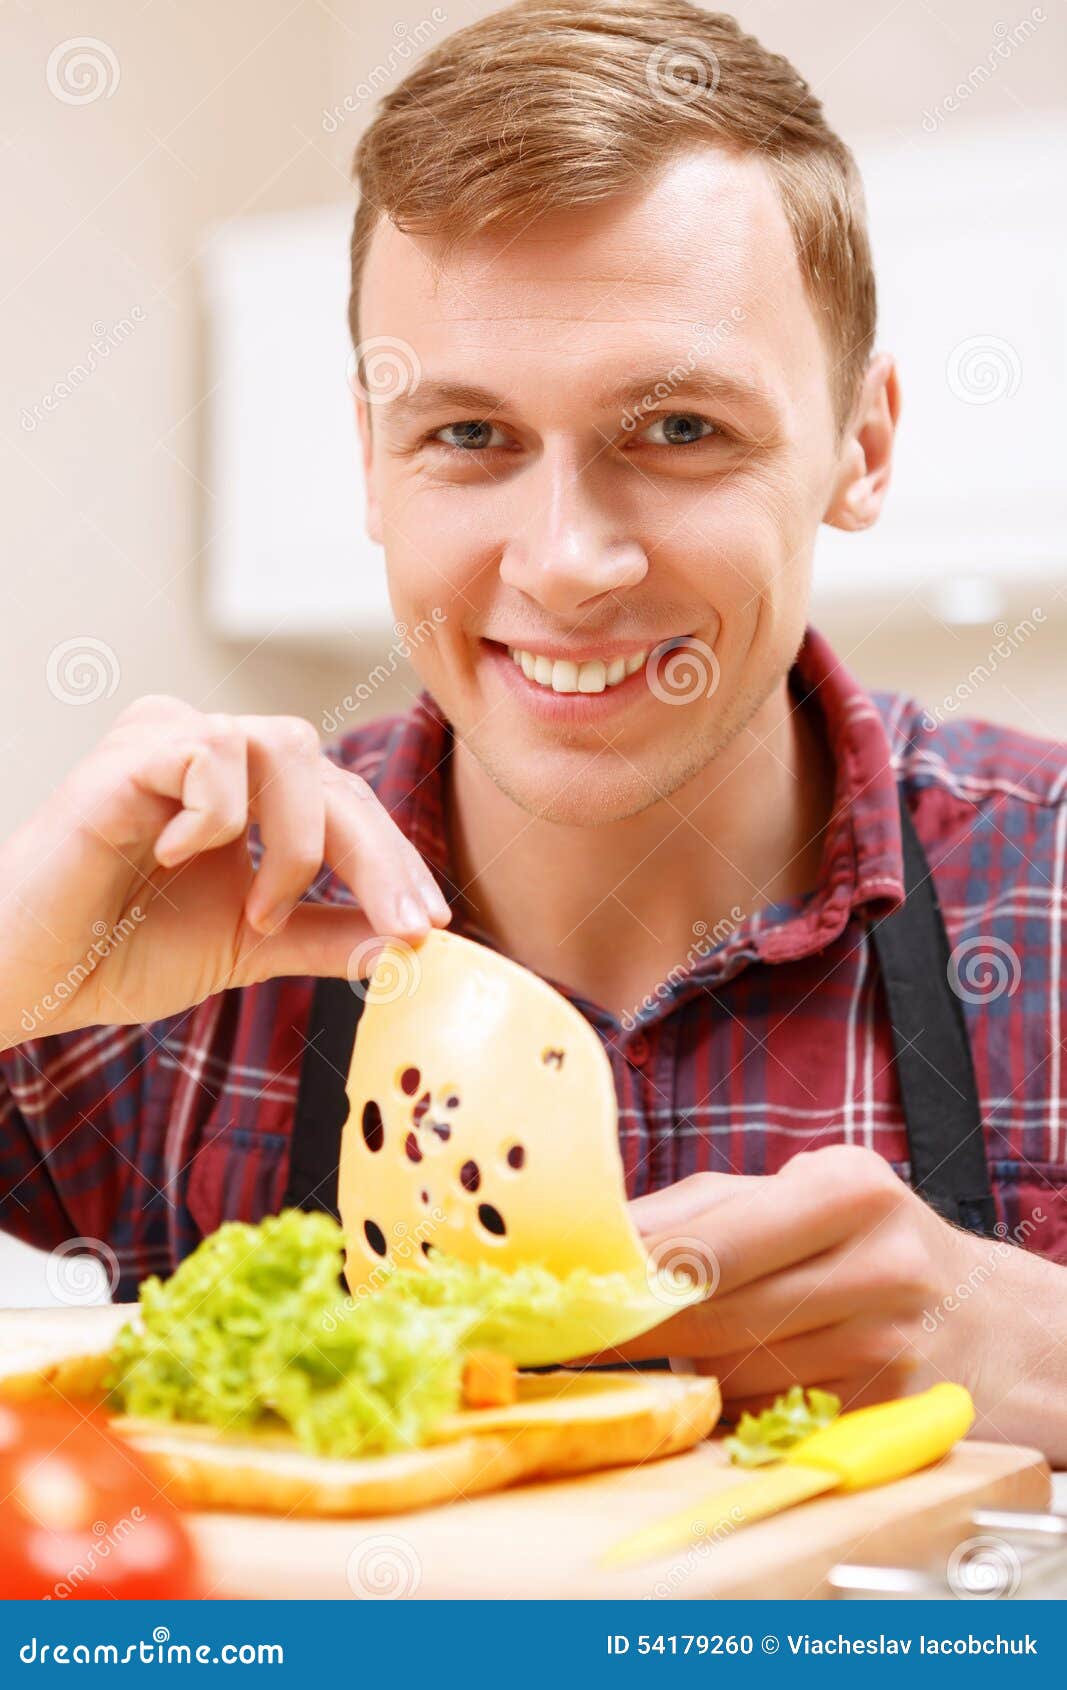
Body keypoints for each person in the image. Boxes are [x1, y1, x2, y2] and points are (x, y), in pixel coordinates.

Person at [2, 0, 1065, 1460]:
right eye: (469, 435)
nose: (567, 561)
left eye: (679, 428)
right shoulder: (196, 925)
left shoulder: (1049, 891)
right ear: (372, 464)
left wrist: (1037, 1341)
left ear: (862, 446)